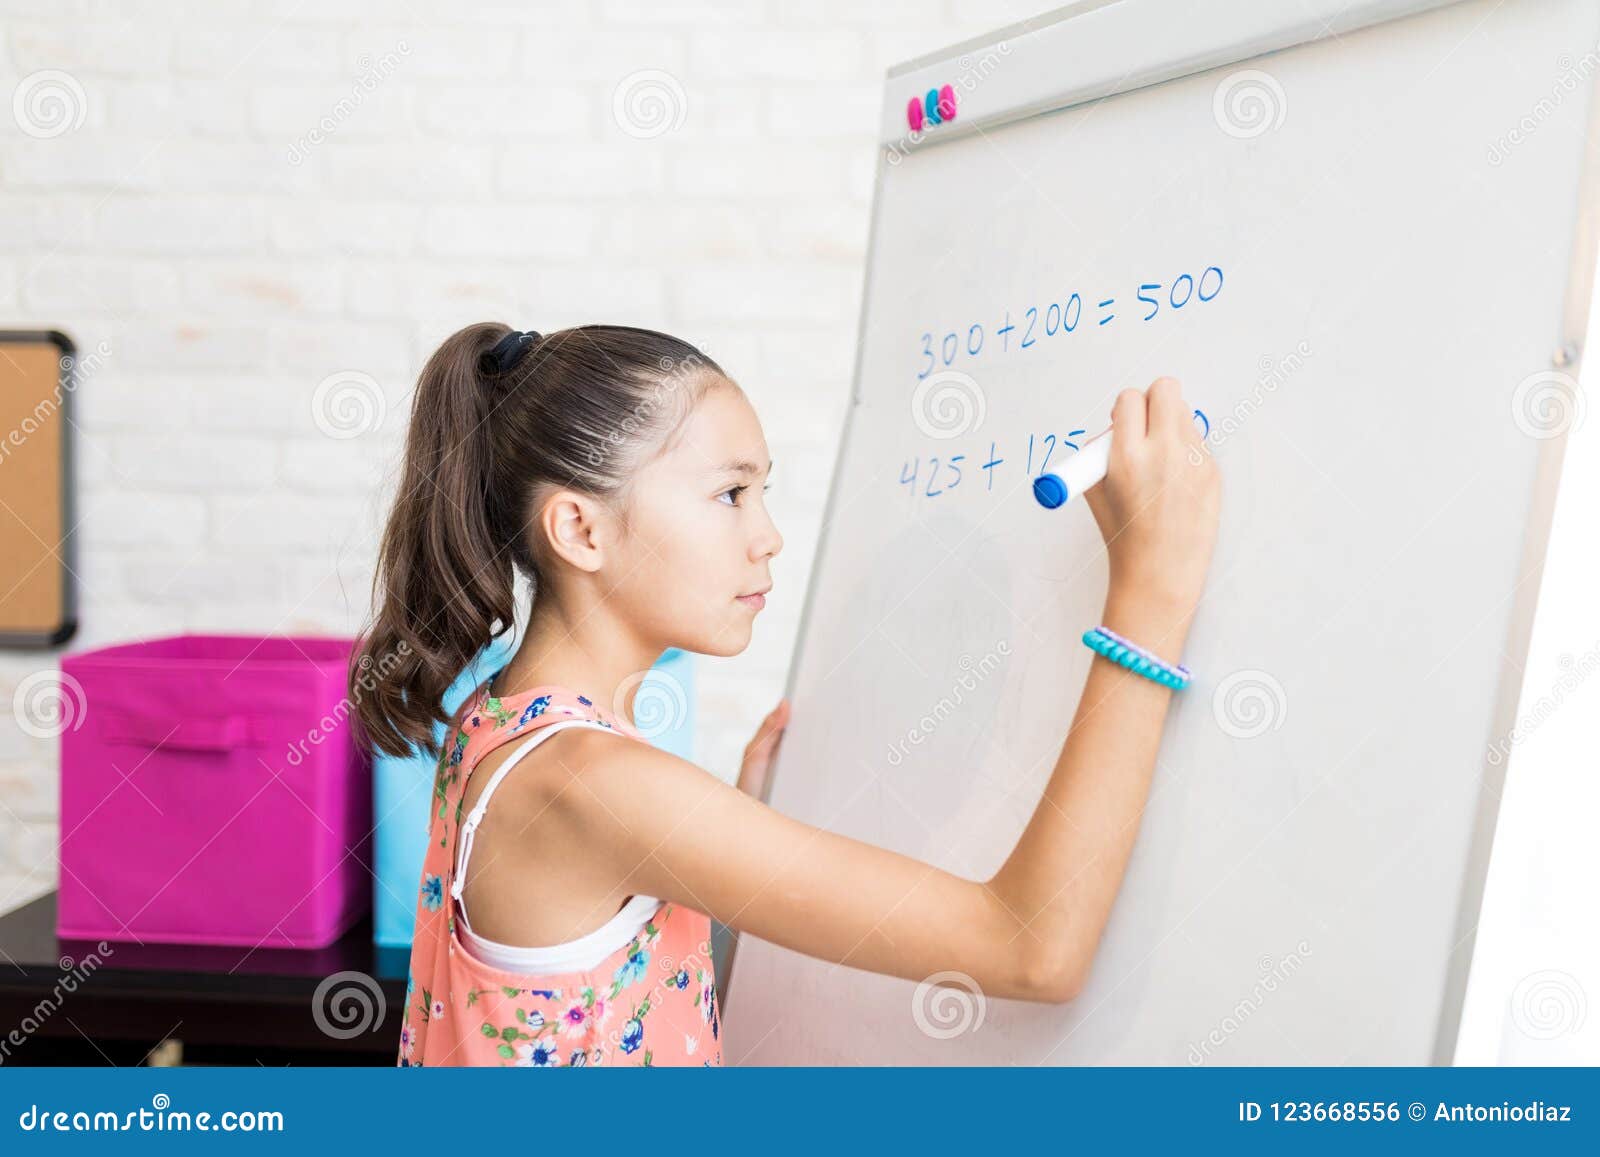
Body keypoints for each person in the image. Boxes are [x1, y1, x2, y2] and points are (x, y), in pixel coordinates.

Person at [352, 322, 1221, 1067]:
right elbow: (1031, 947)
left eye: (763, 491)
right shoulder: (599, 784)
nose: (767, 537)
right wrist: (1147, 599)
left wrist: (722, 832)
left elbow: (594, 1003)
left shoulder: (498, 722)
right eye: (730, 493)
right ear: (580, 528)